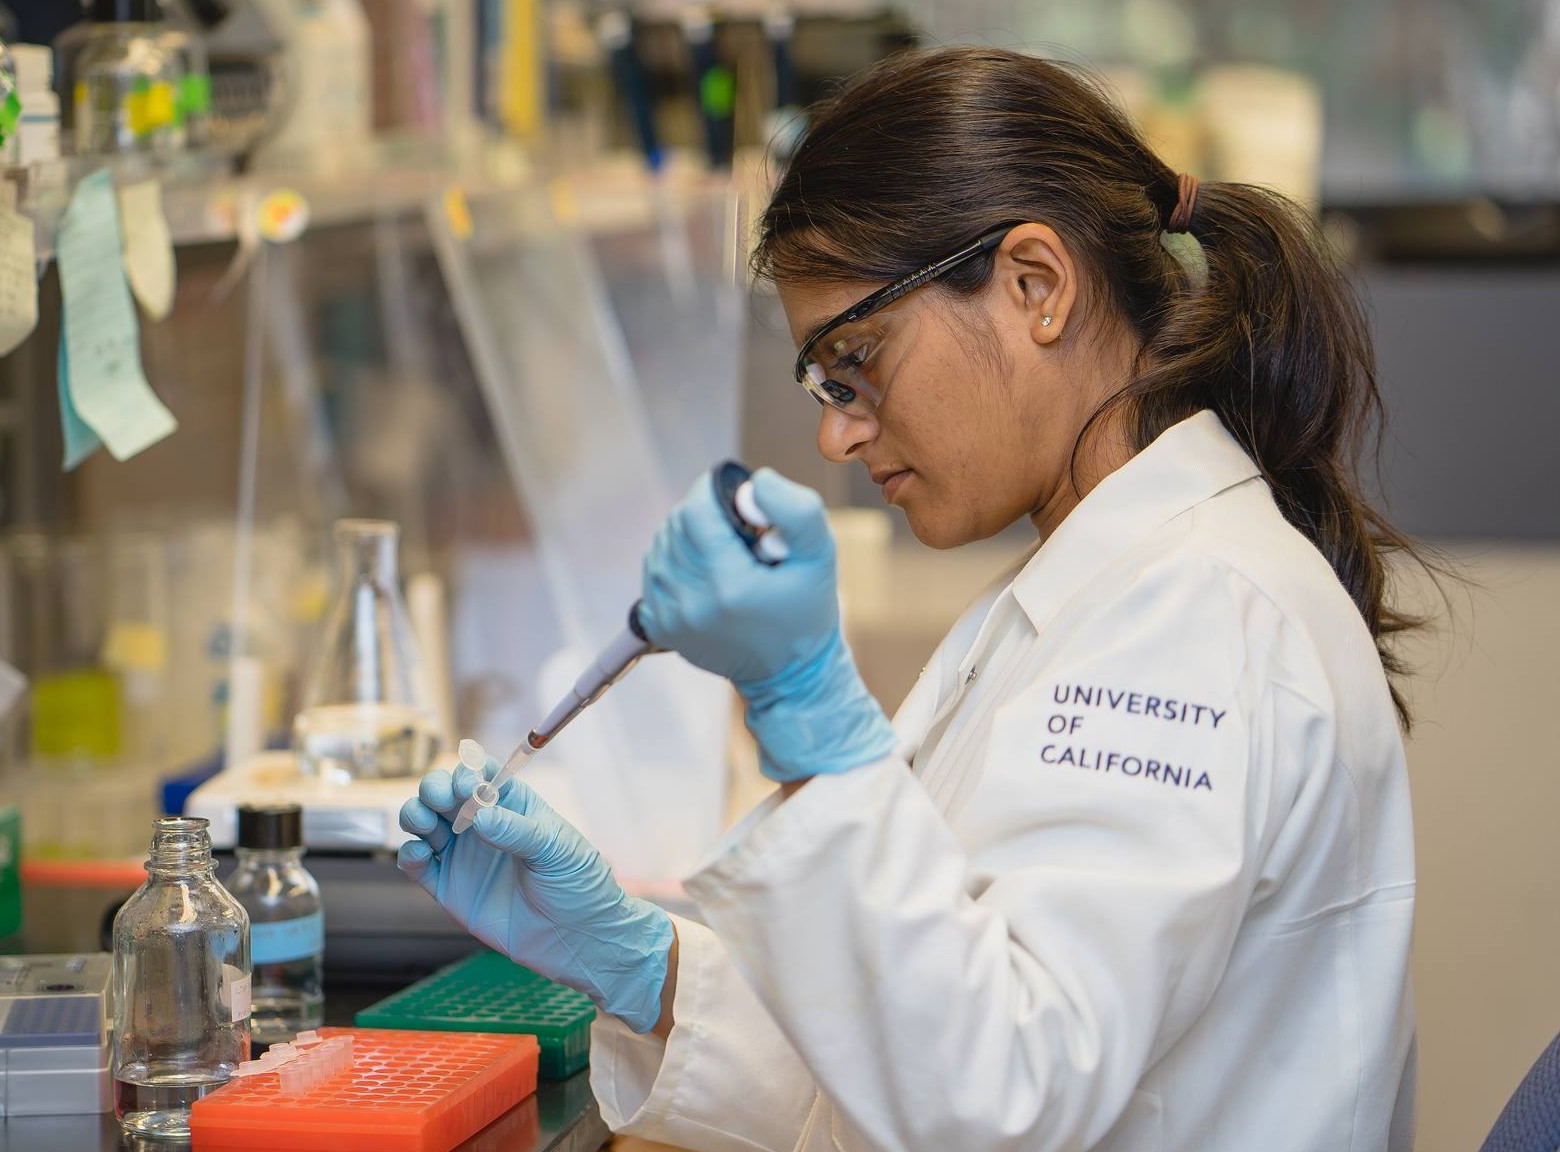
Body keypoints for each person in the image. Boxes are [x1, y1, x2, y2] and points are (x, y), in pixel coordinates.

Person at [398, 46, 1421, 1151]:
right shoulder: (1086, 593)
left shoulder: (1197, 617)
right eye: (821, 382)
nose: (836, 431)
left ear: (1035, 285)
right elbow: (895, 1069)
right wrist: (641, 968)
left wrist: (810, 721)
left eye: (856, 359)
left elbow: (991, 1102)